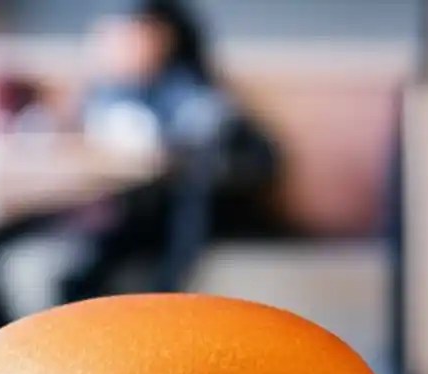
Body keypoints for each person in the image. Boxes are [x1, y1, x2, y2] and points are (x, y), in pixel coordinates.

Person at [59, 0, 278, 303]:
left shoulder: (190, 92)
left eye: (127, 38)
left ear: (161, 40)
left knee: (189, 190)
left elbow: (221, 147)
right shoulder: (104, 92)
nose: (113, 48)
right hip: (135, 208)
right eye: (108, 39)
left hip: (205, 206)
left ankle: (165, 293)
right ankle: (79, 288)